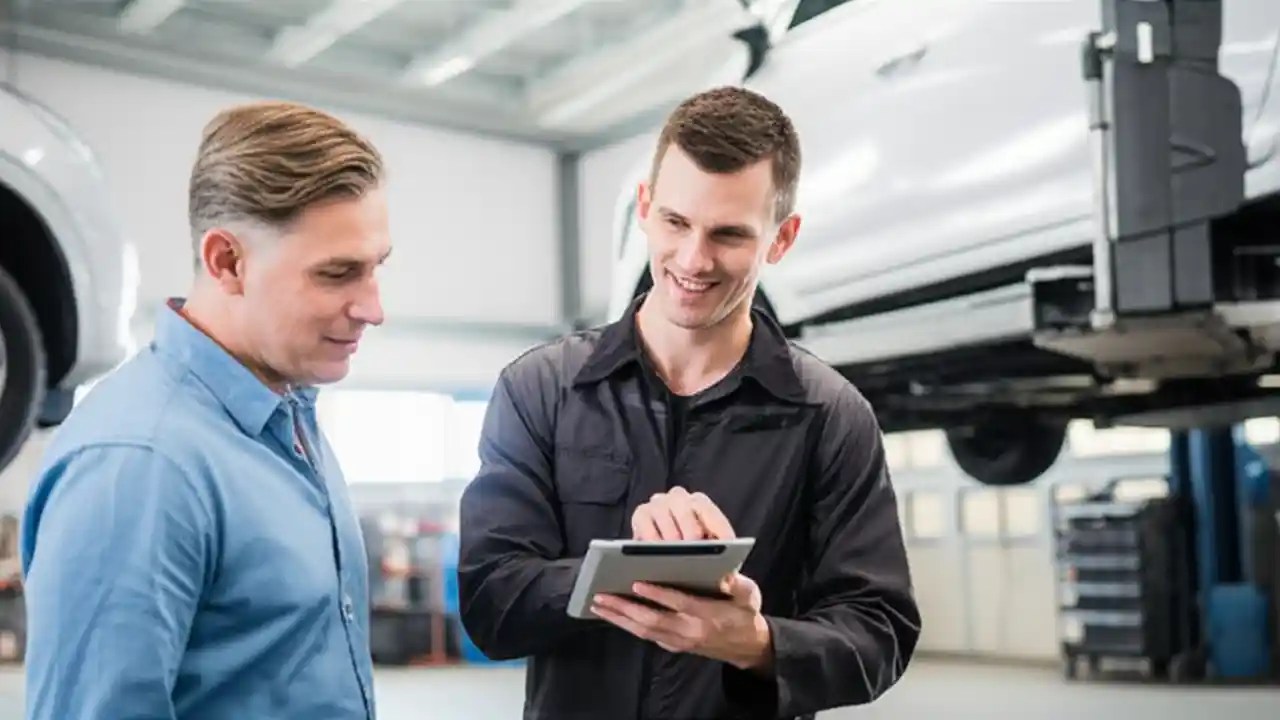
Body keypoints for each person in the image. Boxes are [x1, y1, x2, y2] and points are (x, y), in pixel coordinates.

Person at [457, 86, 921, 719]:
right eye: (675, 222)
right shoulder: (542, 390)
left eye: (728, 234)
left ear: (780, 239)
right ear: (645, 209)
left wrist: (756, 644)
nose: (693, 260)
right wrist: (622, 577)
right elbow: (490, 601)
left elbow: (880, 630)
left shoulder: (830, 417)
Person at [20, 100, 390, 719]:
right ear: (228, 262)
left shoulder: (287, 416)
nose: (373, 308)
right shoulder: (141, 466)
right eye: (337, 273)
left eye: (376, 269)